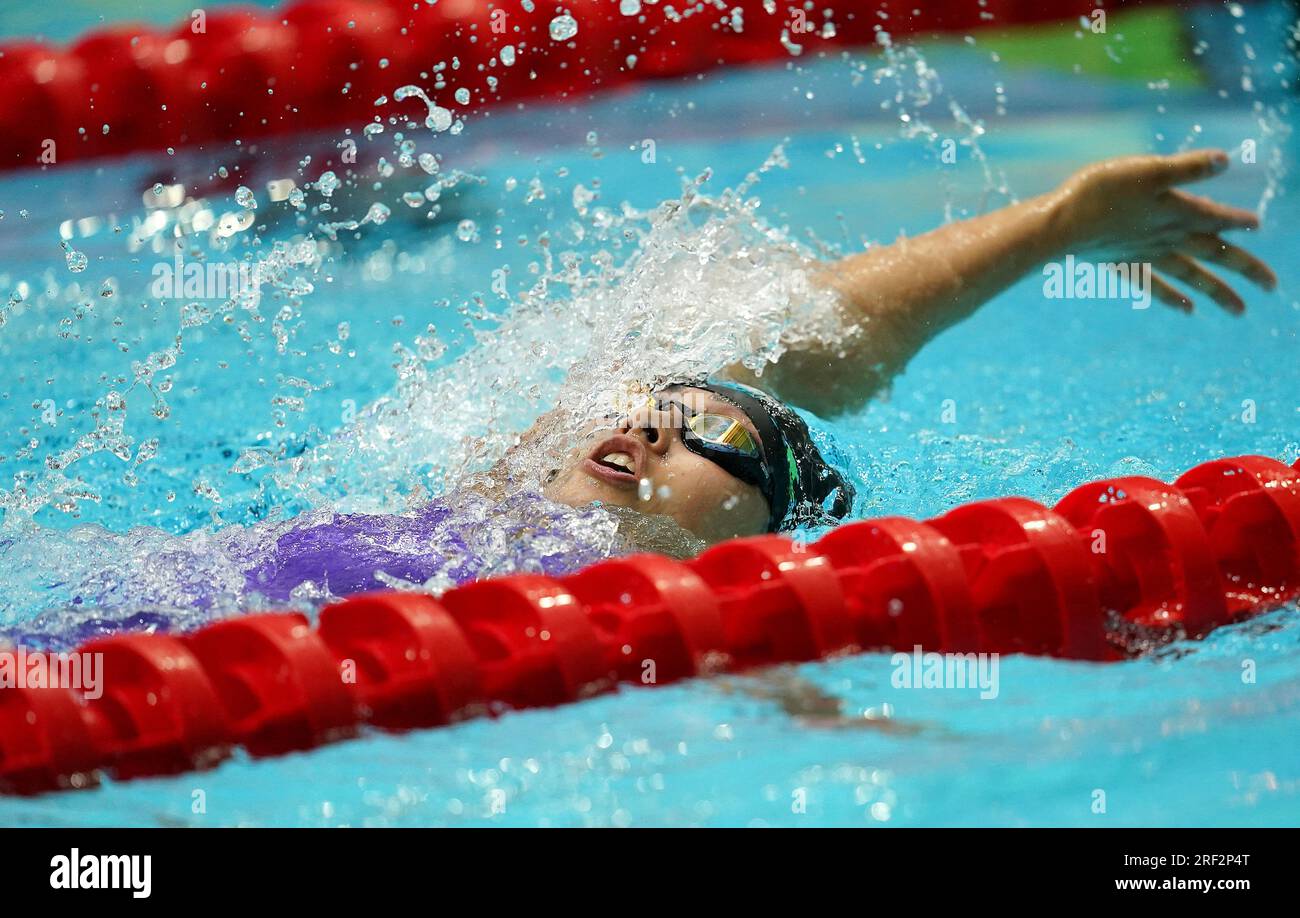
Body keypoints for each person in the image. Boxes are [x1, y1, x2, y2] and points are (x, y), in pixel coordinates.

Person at [524, 149, 1276, 544]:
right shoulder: (491, 499)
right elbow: (795, 334)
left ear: (770, 543)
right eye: (648, 406)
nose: (647, 426)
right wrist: (1057, 226)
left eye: (714, 437)